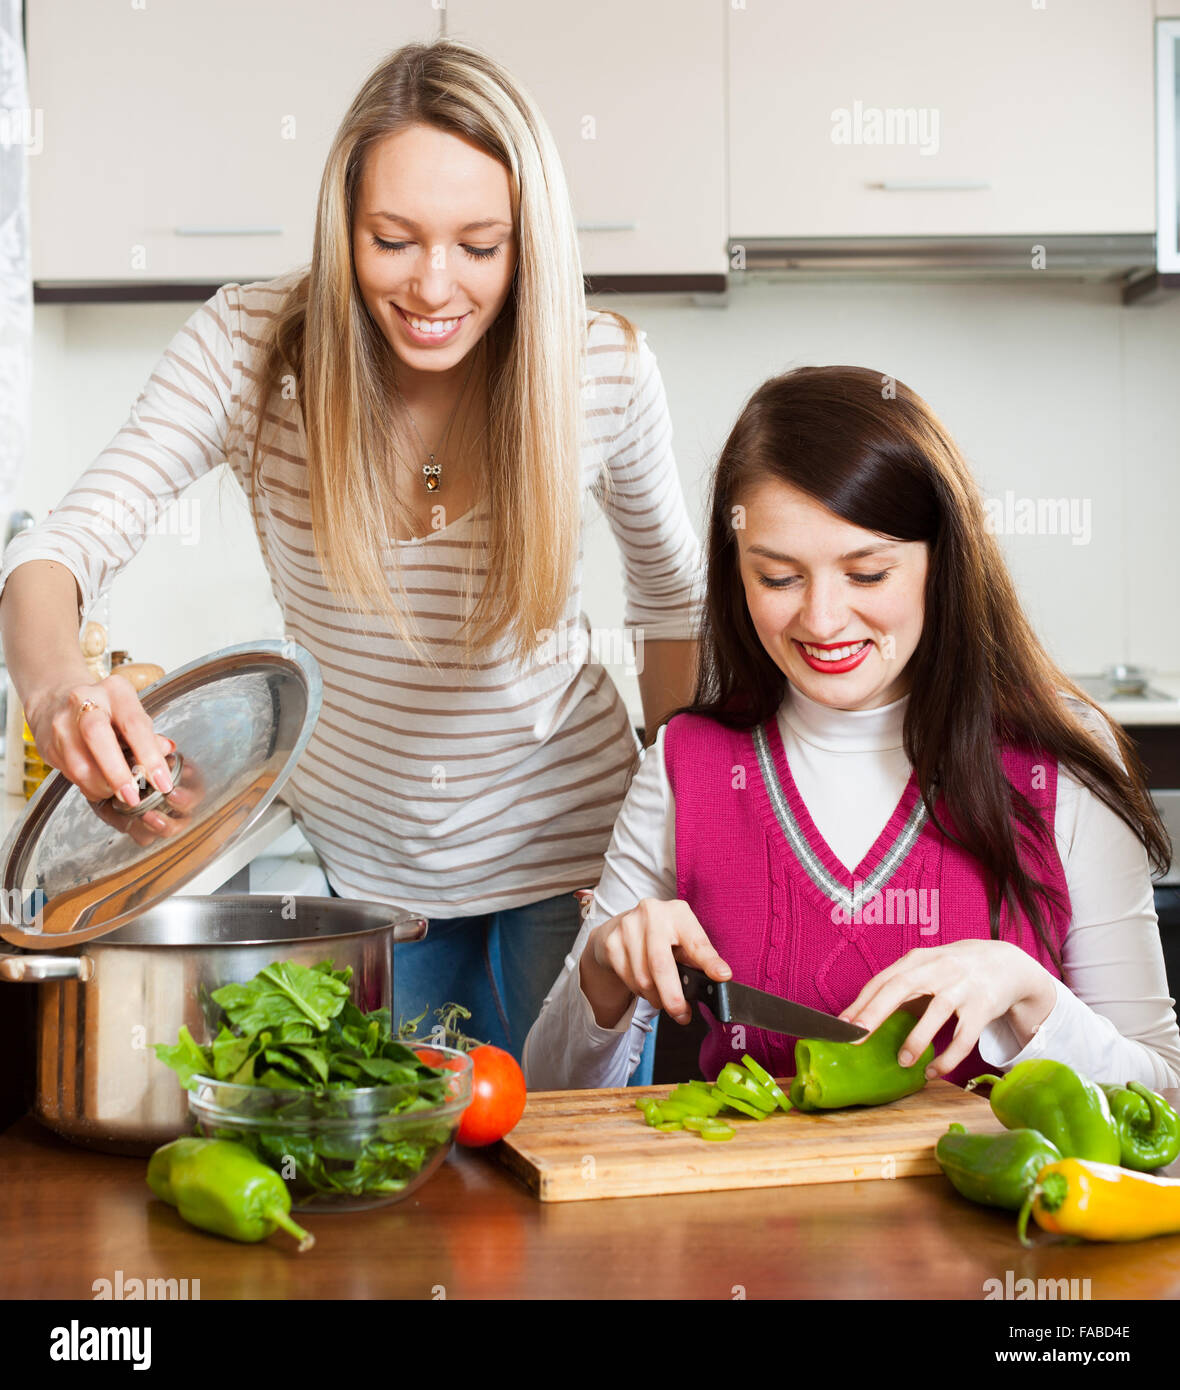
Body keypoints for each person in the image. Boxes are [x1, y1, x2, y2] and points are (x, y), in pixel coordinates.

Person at [0, 40, 703, 1079]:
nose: (434, 284)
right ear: (344, 226)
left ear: (529, 243)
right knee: (388, 1184)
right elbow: (62, 545)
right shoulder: (248, 348)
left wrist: (662, 834)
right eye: (392, 238)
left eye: (480, 245)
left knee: (563, 1173)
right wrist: (58, 685)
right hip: (365, 881)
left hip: (574, 859)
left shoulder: (598, 366)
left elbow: (672, 599)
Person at [523, 365, 1180, 1092]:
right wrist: (605, 970)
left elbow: (1169, 1110)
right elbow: (550, 1100)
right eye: (778, 578)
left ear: (944, 563)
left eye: (867, 574)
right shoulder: (687, 766)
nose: (823, 619)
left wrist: (1034, 999)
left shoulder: (1058, 762)